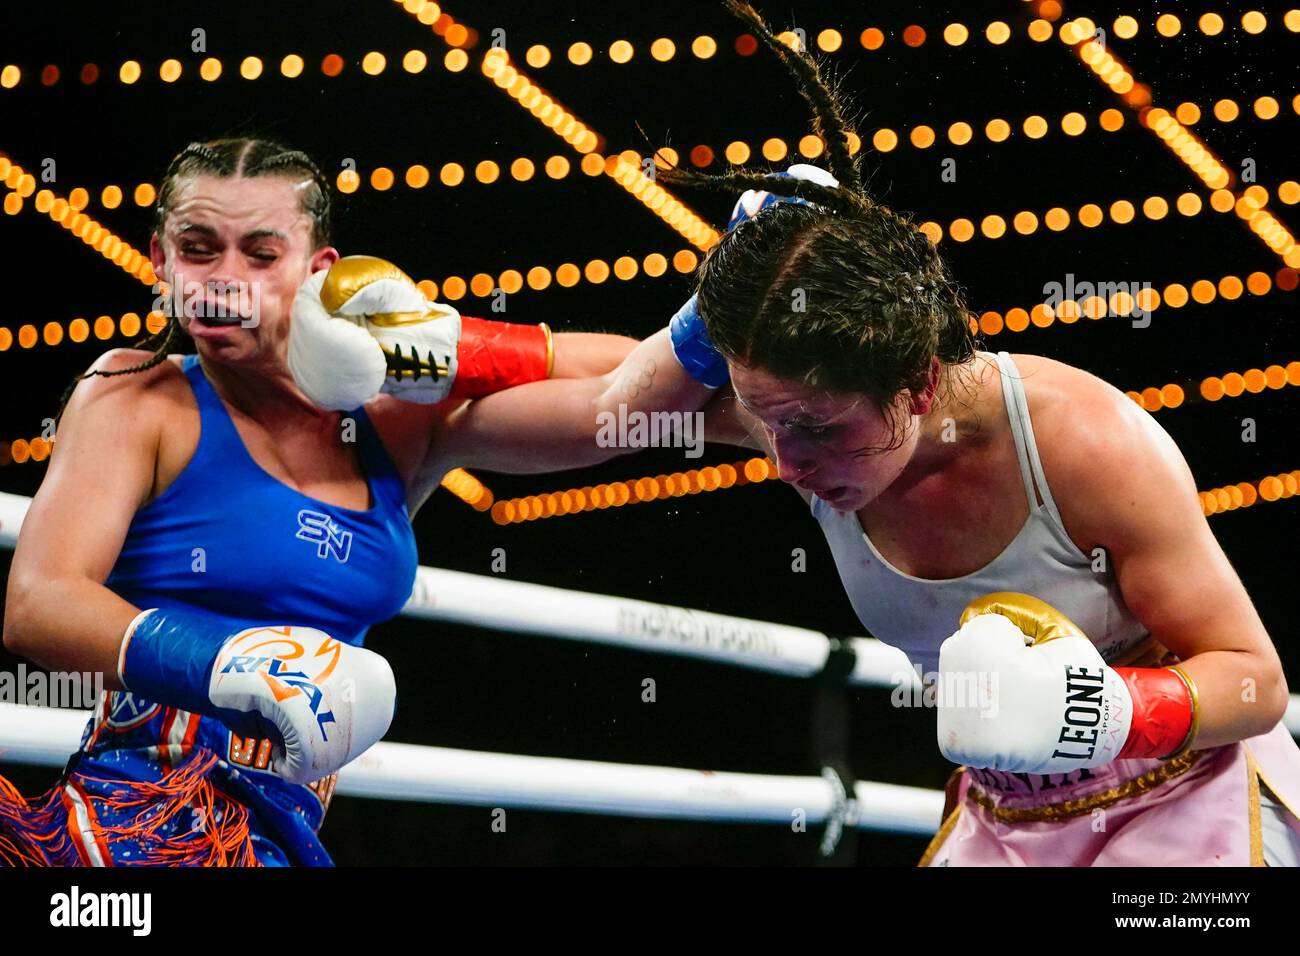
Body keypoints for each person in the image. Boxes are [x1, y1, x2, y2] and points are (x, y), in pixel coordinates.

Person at [639, 1, 1300, 865]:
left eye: (813, 429)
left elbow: (1257, 678)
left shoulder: (1085, 443)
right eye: (764, 420)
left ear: (914, 387)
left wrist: (1110, 714)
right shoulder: (793, 413)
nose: (787, 463)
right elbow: (585, 398)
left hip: (1184, 800)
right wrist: (455, 357)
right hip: (1005, 818)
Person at [0, 137, 711, 866]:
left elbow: (621, 395)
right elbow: (38, 600)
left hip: (279, 831)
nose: (225, 280)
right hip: (129, 823)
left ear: (318, 271)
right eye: (199, 248)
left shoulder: (394, 418)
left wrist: (462, 344)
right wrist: (240, 665)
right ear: (160, 259)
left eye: (261, 254)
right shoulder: (134, 393)